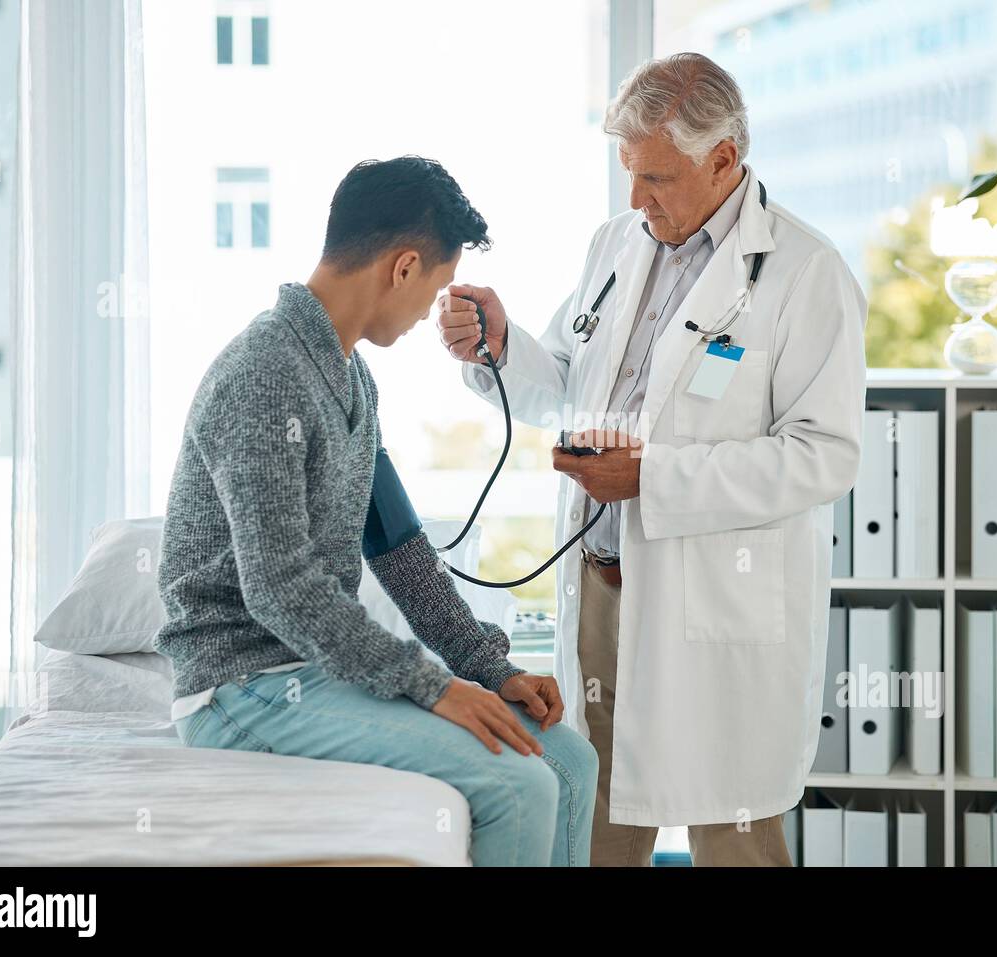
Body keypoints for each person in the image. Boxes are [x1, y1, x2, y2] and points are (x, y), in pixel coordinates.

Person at [436, 54, 867, 866]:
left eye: (657, 178)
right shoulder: (616, 245)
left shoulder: (806, 274)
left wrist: (653, 477)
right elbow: (563, 381)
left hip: (716, 599)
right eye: (630, 175)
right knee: (596, 819)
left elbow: (825, 456)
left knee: (732, 829)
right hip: (604, 587)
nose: (637, 199)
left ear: (724, 159)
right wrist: (498, 347)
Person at [155, 156, 598, 867]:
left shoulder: (351, 377)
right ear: (403, 266)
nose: (430, 310)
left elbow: (398, 549)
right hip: (240, 688)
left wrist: (487, 667)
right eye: (434, 286)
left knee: (570, 762)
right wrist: (432, 686)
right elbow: (280, 587)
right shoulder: (264, 372)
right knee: (519, 785)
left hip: (315, 670)